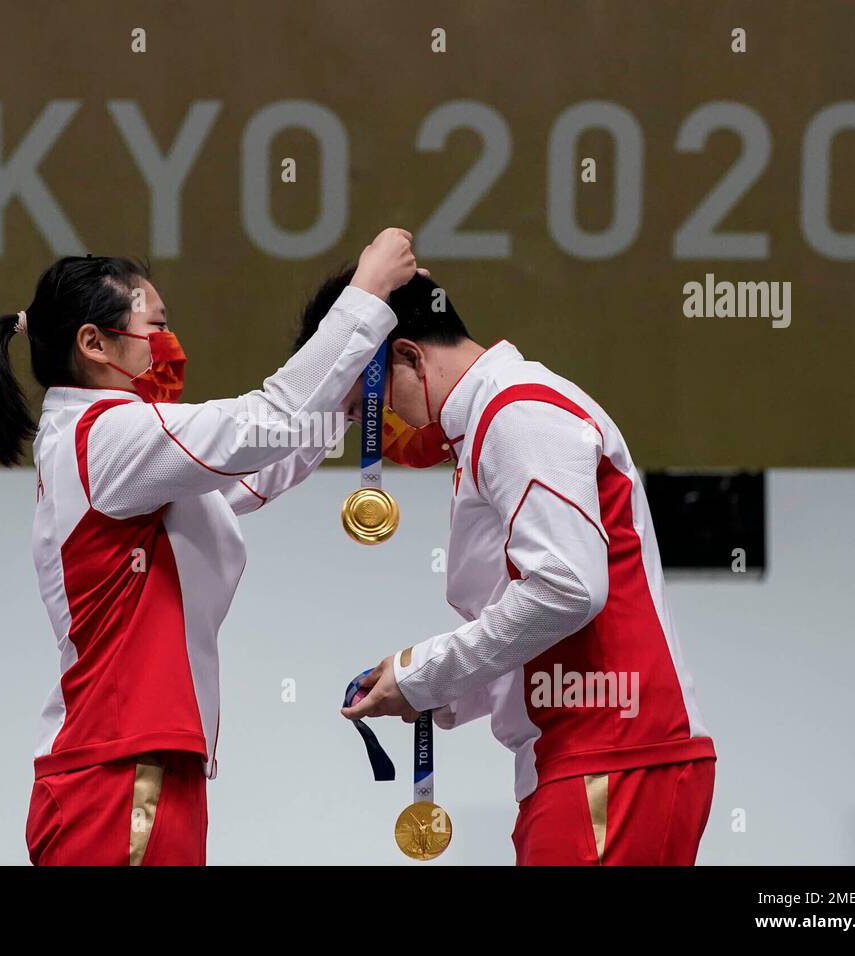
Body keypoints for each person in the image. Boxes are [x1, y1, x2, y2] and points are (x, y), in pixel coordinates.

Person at [0, 229, 423, 865]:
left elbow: (249, 471)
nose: (167, 342)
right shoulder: (106, 436)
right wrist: (366, 293)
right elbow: (266, 419)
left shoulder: (108, 446)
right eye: (154, 324)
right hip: (119, 772)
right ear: (94, 343)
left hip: (136, 766)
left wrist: (344, 405)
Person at [299, 267, 716, 865]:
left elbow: (566, 589)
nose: (385, 424)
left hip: (611, 752)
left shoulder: (519, 410)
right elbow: (535, 615)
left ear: (409, 356)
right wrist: (424, 691)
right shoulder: (497, 420)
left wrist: (425, 673)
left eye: (371, 400)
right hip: (592, 755)